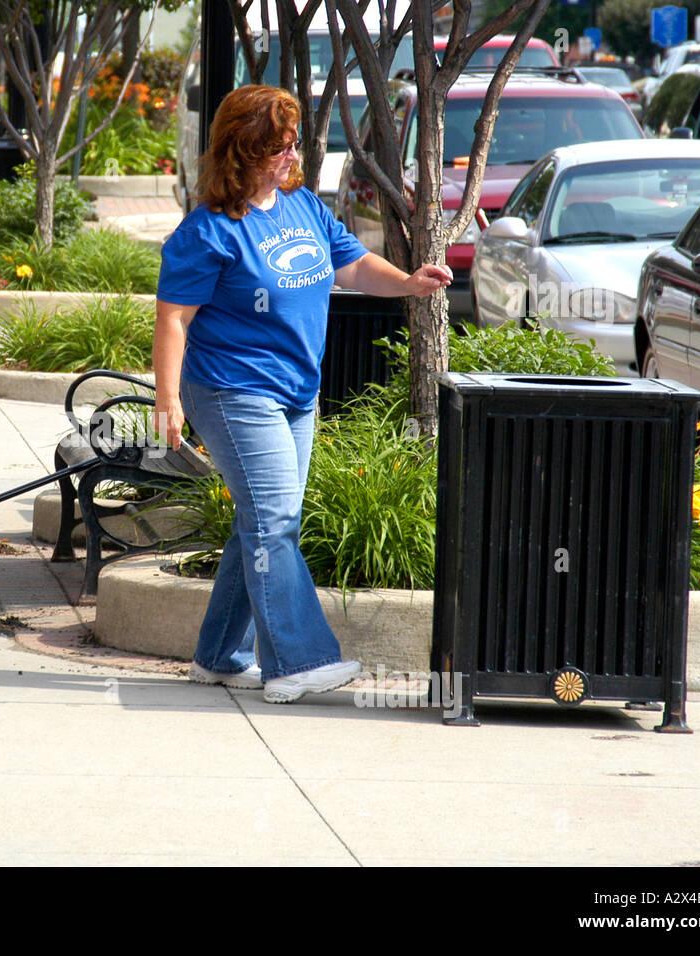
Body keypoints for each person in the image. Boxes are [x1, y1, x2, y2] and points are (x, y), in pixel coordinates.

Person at [154, 85, 451, 704]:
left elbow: (352, 266)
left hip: (296, 393)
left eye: (293, 145)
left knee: (258, 521)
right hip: (233, 391)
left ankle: (218, 656)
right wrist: (168, 399)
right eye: (279, 148)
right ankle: (296, 661)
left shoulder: (303, 207)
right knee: (276, 520)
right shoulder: (207, 231)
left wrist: (408, 283)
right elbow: (174, 318)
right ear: (243, 152)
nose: (293, 156)